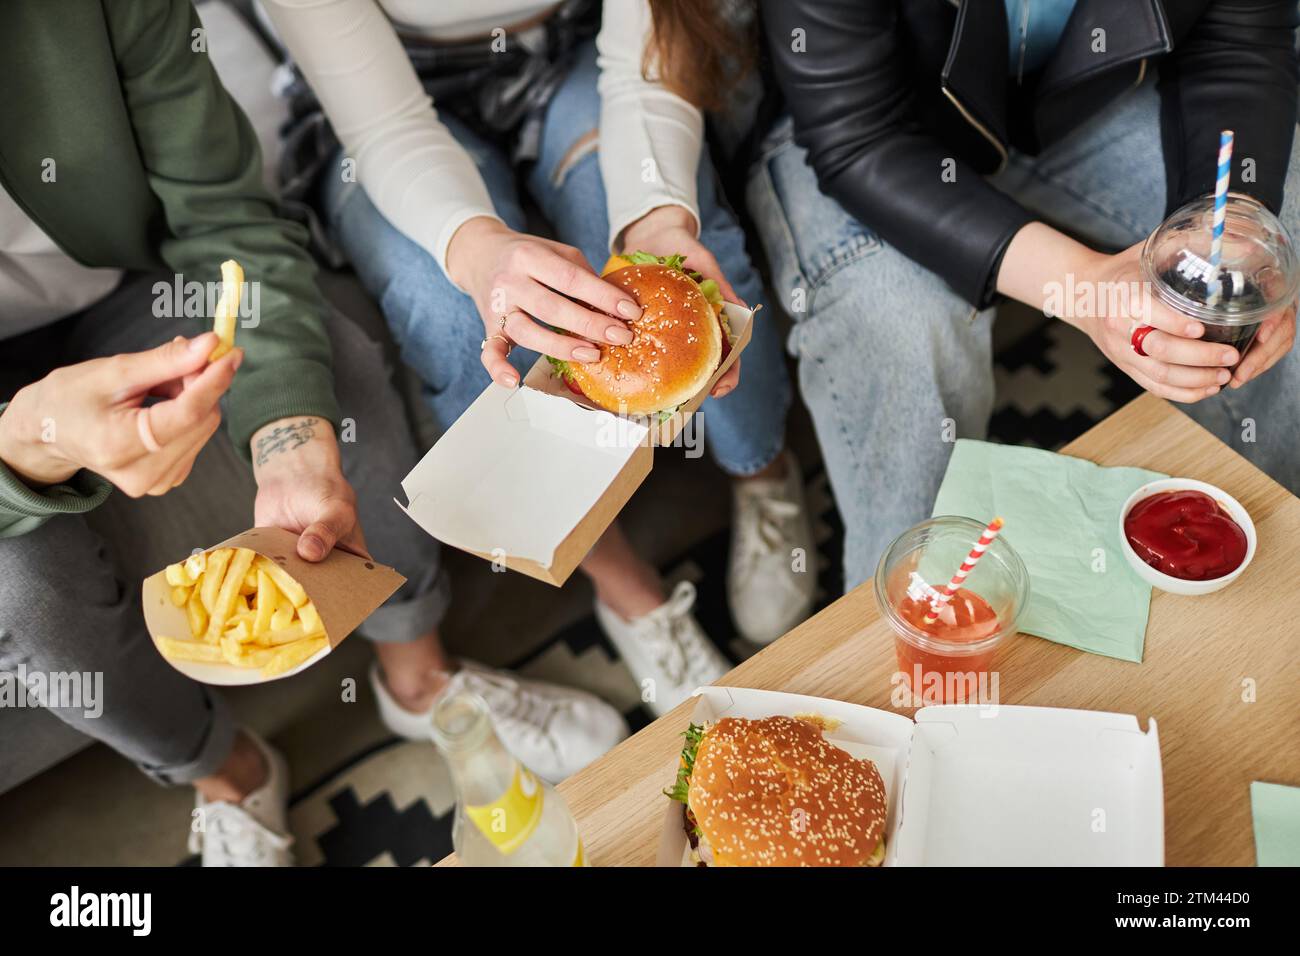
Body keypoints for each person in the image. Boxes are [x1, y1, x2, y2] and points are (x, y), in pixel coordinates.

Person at [0, 0, 625, 867]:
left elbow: (226, 219)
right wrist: (23, 439)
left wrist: (290, 434)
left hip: (139, 279)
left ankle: (422, 677)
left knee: (336, 363)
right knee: (23, 590)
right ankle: (225, 771)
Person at [257, 0, 818, 713]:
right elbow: (386, 124)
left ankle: (760, 470)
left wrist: (659, 212)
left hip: (582, 44)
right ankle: (624, 587)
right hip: (381, 104)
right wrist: (475, 248)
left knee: (682, 278)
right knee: (450, 311)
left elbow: (647, 45)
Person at [743, 0, 1300, 590]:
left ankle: (1267, 566)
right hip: (872, 122)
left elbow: (1239, 45)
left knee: (1275, 253)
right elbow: (857, 138)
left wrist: (1234, 232)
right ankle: (915, 632)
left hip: (1067, 97)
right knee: (899, 321)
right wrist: (1085, 289)